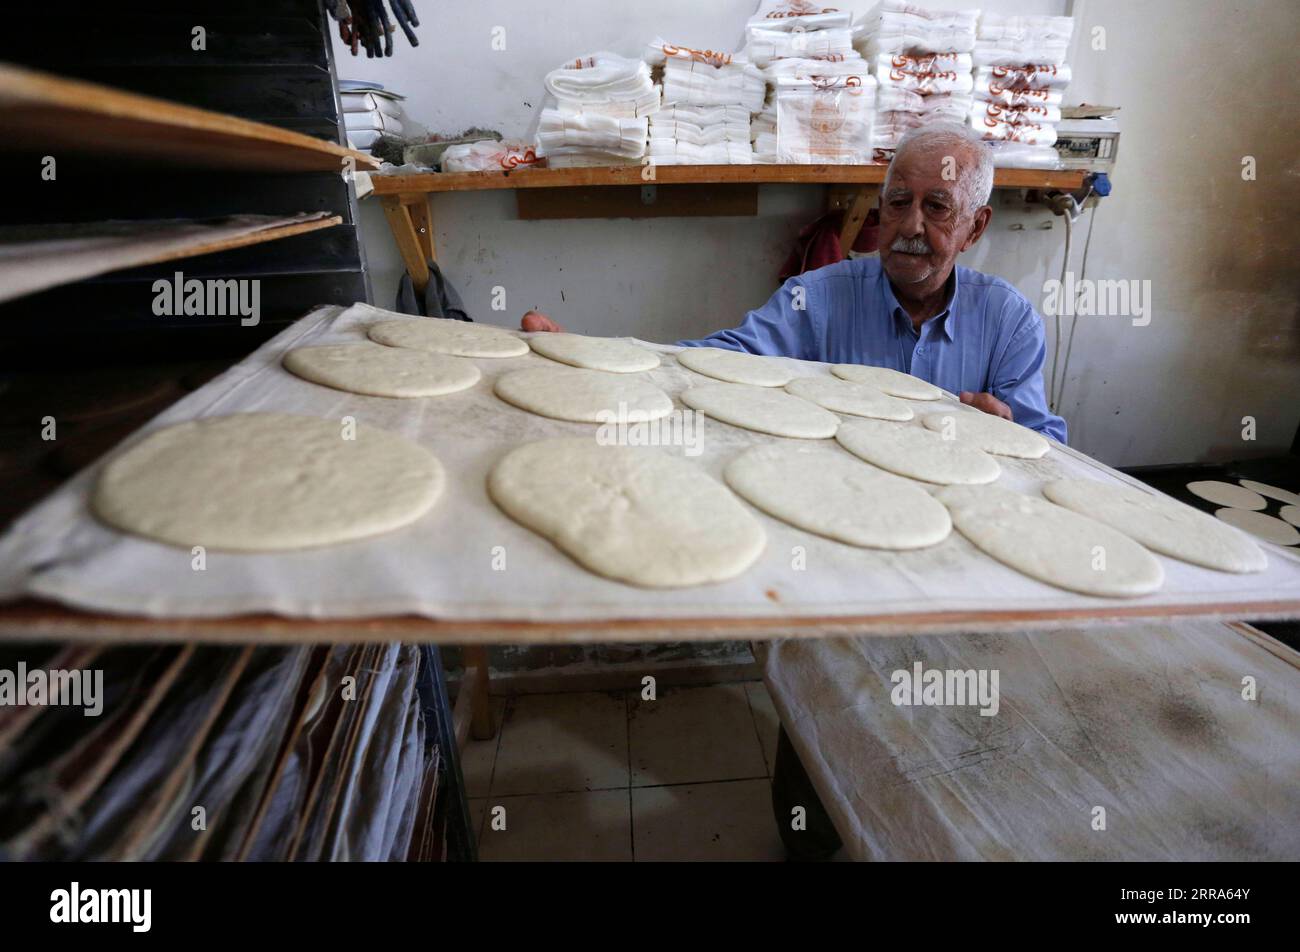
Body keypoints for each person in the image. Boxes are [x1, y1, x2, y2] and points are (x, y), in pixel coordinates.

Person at [521, 122, 1067, 442]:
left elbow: (1048, 449)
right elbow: (712, 364)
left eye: (938, 207)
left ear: (976, 226)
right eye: (898, 203)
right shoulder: (819, 298)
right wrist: (590, 360)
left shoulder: (1008, 321)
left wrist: (1007, 429)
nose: (911, 226)